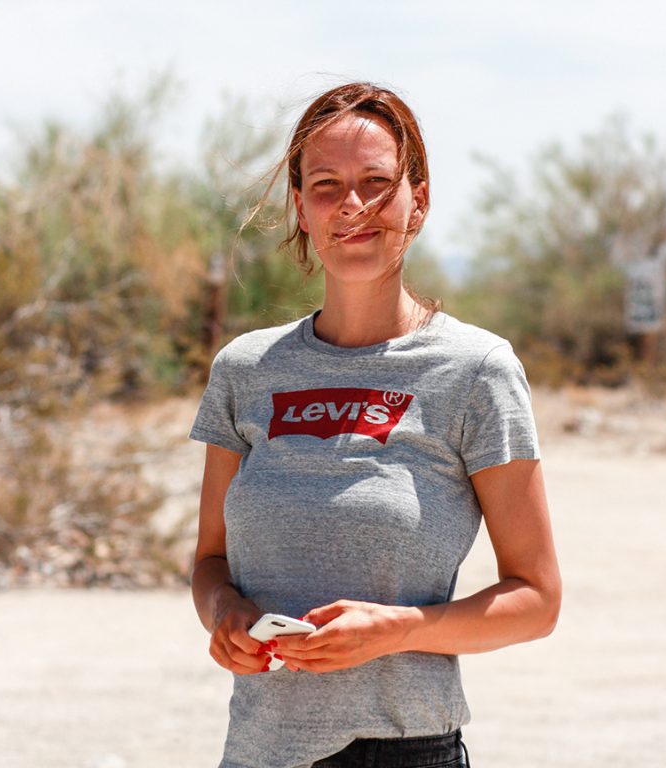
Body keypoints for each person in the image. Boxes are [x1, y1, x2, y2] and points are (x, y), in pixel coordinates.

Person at [190, 82, 562, 768]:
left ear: (417, 200)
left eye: (376, 182)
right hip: (257, 751)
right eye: (326, 185)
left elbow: (536, 600)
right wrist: (226, 618)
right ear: (299, 207)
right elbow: (210, 563)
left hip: (403, 750)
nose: (352, 206)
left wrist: (396, 632)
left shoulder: (476, 371)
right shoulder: (244, 370)